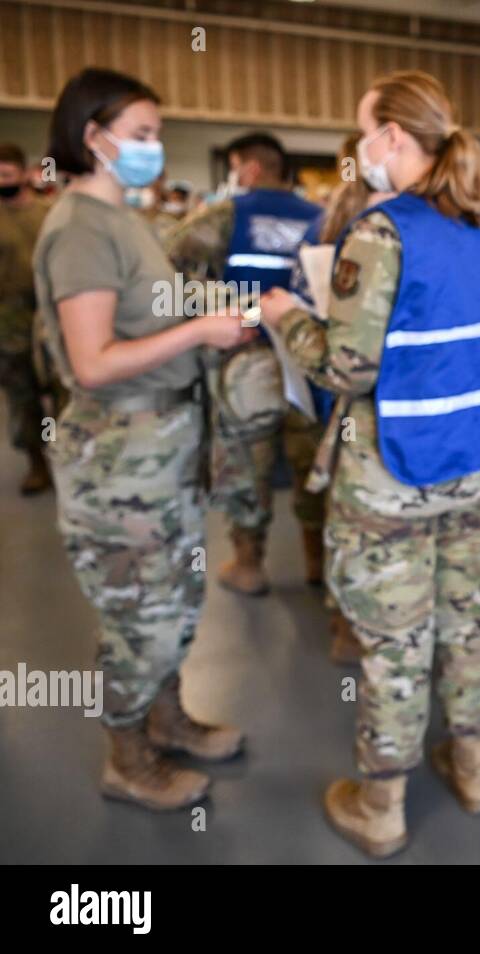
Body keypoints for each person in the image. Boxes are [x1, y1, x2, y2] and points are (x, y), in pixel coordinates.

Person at [259, 69, 480, 858]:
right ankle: (475, 771)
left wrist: (287, 320)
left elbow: (346, 368)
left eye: (364, 131)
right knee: (468, 615)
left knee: (395, 641)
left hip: (393, 472)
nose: (361, 149)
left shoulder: (382, 232)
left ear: (394, 139)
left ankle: (381, 807)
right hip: (479, 462)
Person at [32, 68, 252, 810]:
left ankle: (166, 718)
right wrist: (198, 329)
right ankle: (127, 758)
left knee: (174, 606)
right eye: (143, 136)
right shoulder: (79, 230)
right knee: (139, 622)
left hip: (163, 454)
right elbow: (91, 363)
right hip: (119, 463)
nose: (155, 149)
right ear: (93, 138)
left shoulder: (127, 221)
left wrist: (210, 320)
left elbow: (145, 320)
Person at [165, 131, 323, 597]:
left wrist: (221, 306)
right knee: (310, 462)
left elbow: (164, 269)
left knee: (246, 463)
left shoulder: (224, 215)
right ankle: (317, 562)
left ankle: (249, 565)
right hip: (306, 359)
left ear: (249, 169)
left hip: (243, 361)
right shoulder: (324, 217)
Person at [284, 131, 393, 667]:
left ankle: (344, 620)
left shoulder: (325, 225)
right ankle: (358, 623)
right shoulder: (412, 223)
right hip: (385, 400)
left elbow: (301, 307)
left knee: (338, 509)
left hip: (332, 386)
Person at [0, 142, 53, 494]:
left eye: (5, 174)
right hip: (9, 316)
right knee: (21, 393)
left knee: (63, 387)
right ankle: (36, 461)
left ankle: (66, 451)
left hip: (50, 310)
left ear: (22, 172)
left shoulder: (48, 213)